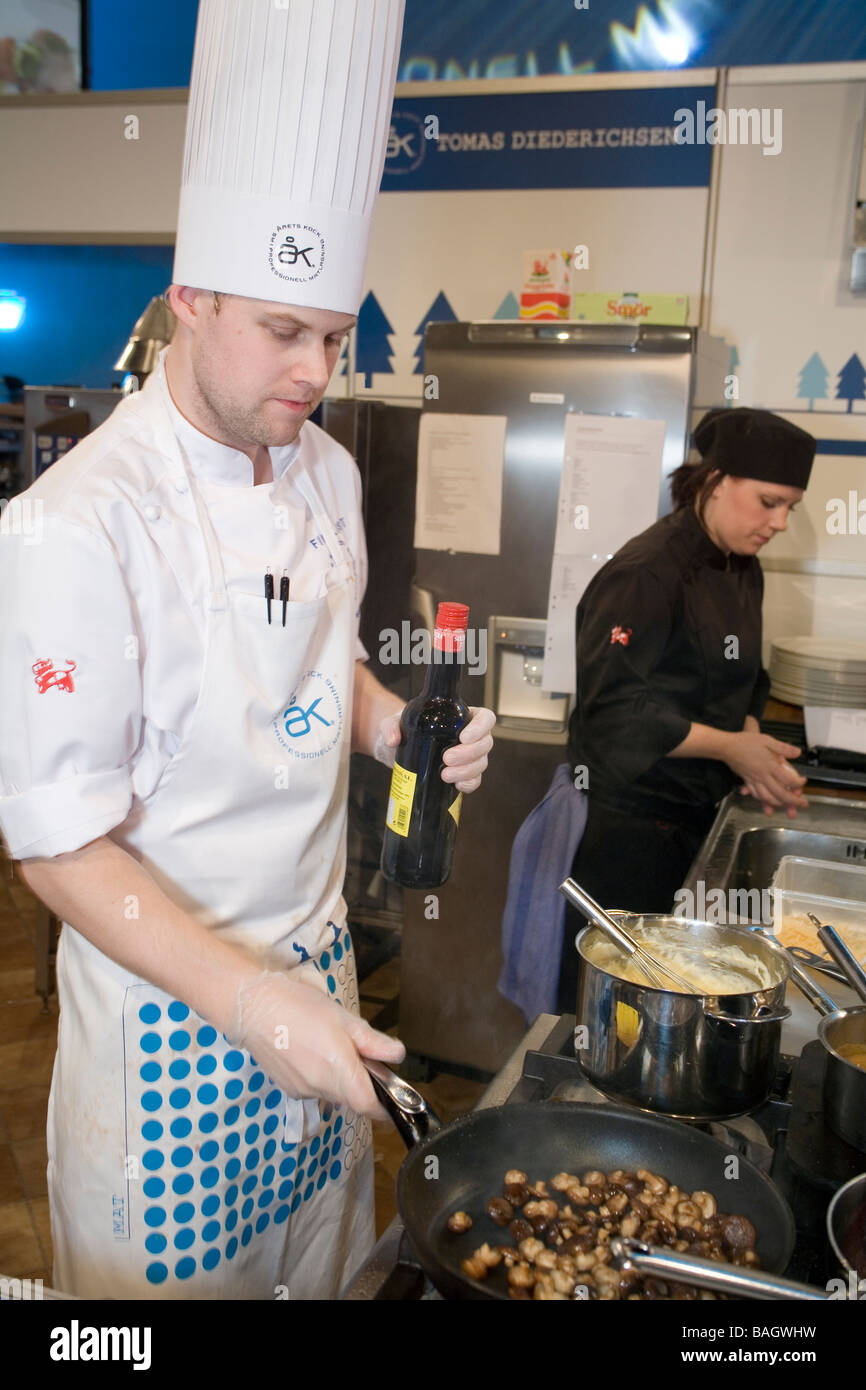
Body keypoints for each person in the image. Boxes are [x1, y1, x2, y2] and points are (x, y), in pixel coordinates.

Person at [0, 0, 495, 1300]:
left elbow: (315, 663)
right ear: (188, 299)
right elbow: (54, 839)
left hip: (321, 981)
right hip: (173, 1020)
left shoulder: (324, 469)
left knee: (330, 1277)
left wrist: (393, 726)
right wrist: (250, 1001)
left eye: (332, 333)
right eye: (283, 330)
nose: (317, 370)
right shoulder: (70, 528)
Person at [556, 406, 816, 1011]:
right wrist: (731, 747)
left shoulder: (742, 566)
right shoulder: (648, 573)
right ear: (716, 480)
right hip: (633, 834)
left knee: (677, 998)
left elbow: (745, 675)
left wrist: (752, 745)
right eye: (768, 502)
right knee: (621, 1000)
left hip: (699, 815)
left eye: (790, 509)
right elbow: (615, 710)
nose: (778, 523)